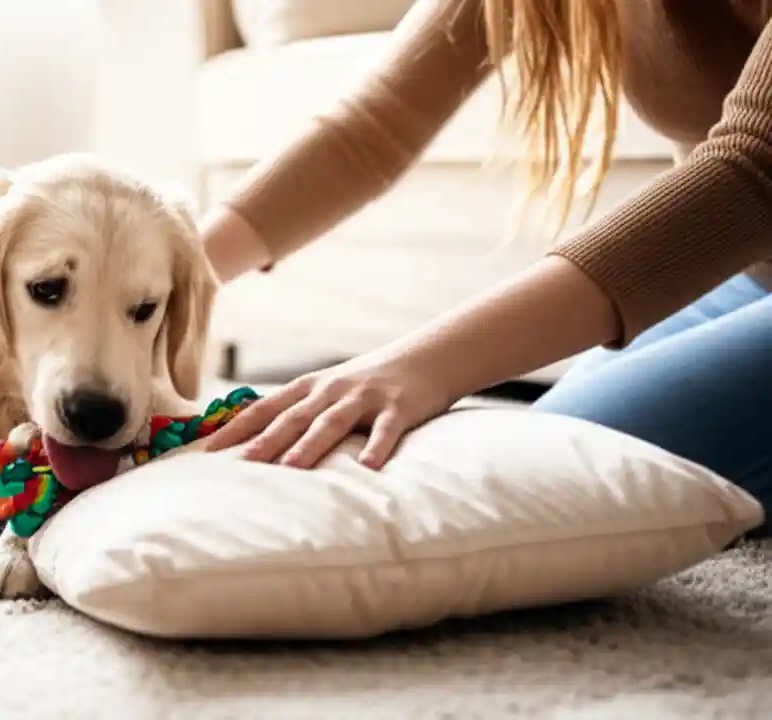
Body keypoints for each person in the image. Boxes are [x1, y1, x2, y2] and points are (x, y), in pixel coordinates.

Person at [204, 0, 772, 517]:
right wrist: (173, 273)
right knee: (557, 441)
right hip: (751, 281)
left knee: (578, 467)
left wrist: (417, 365)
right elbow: (373, 126)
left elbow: (748, 175)